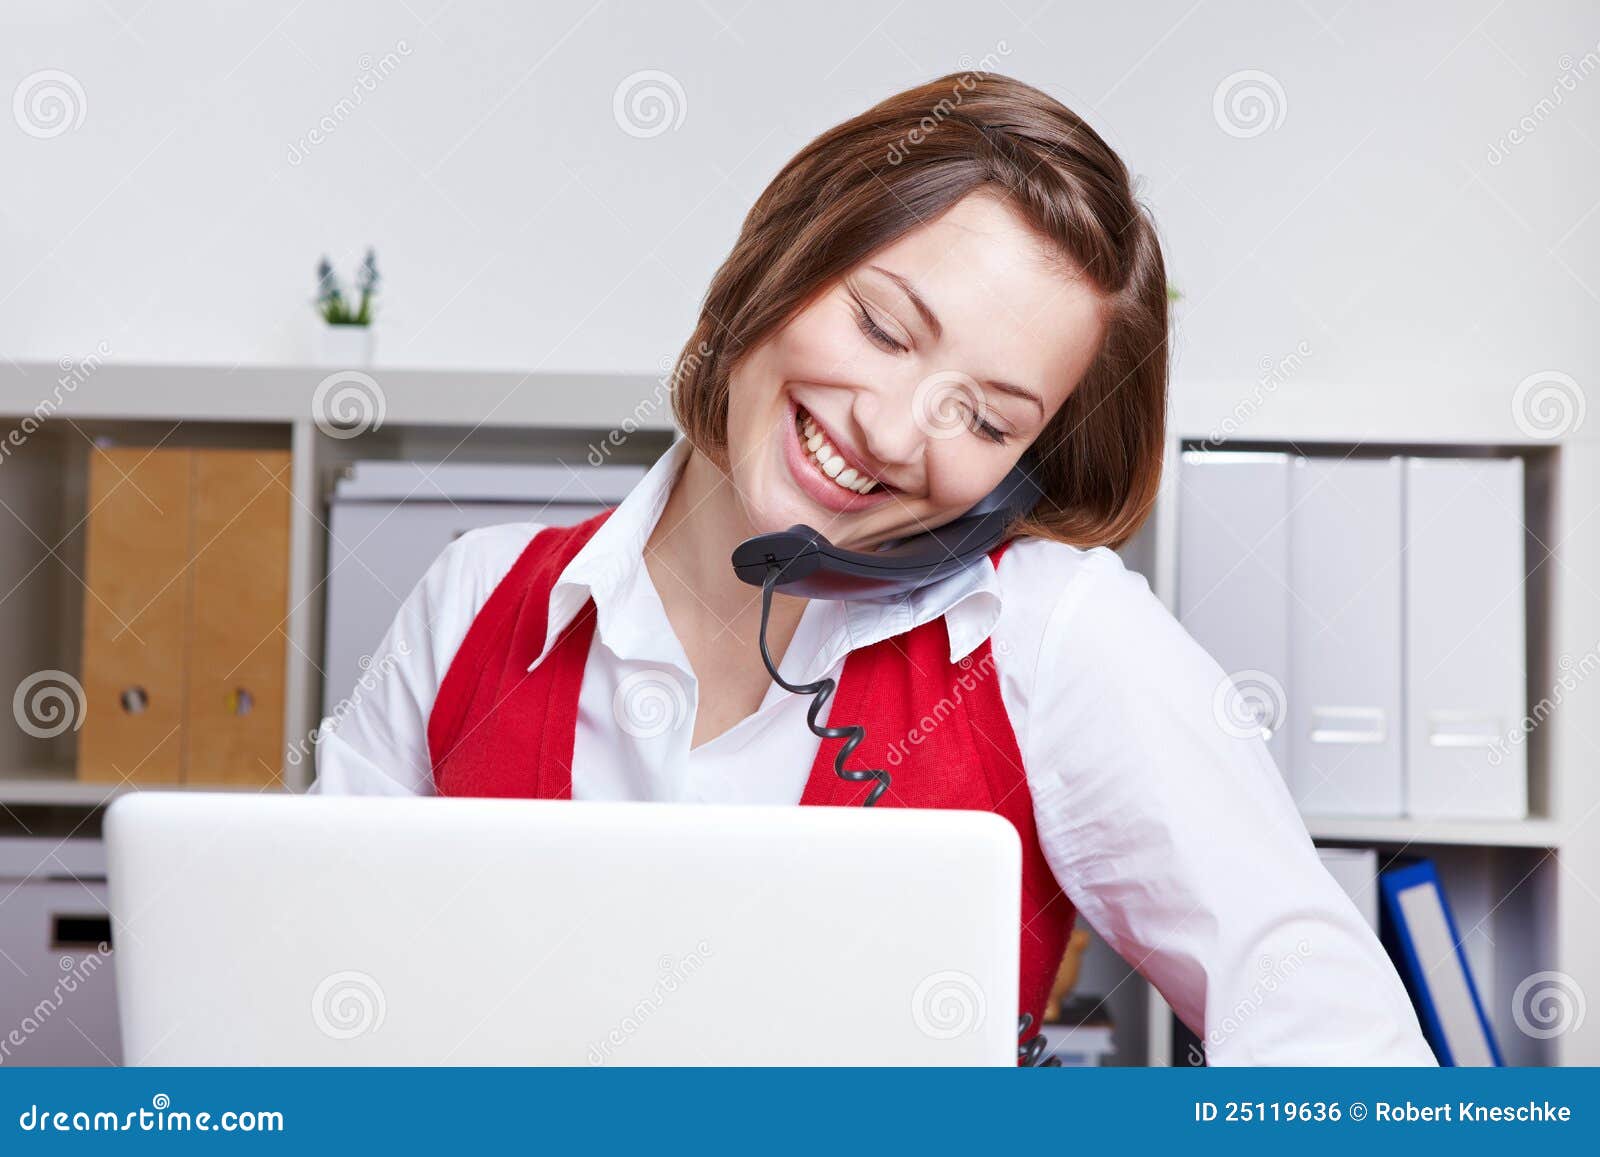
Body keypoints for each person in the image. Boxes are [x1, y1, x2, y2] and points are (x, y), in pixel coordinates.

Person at [312, 72, 1435, 1066]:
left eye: (987, 419)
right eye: (885, 329)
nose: (896, 433)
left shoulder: (1053, 635)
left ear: (1019, 473)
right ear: (783, 260)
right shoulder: (477, 594)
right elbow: (310, 1000)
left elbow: (1345, 1057)